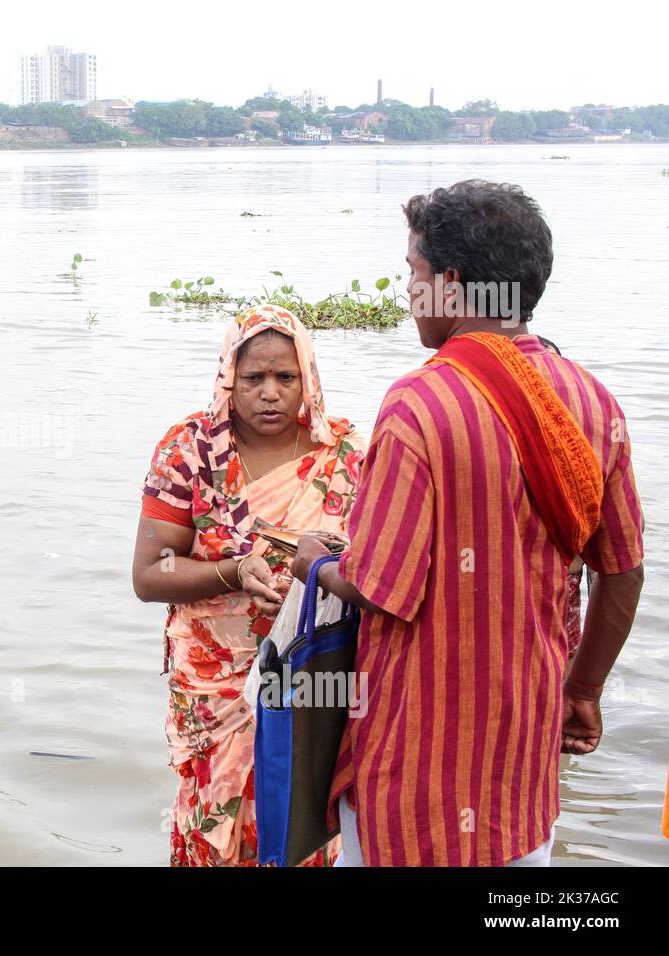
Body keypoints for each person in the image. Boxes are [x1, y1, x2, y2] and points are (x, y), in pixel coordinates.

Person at [291, 180, 645, 867]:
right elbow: (622, 572)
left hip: (413, 772)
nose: (408, 293)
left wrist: (314, 562)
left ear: (449, 285)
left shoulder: (421, 402)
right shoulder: (596, 403)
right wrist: (584, 690)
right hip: (522, 770)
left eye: (413, 275)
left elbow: (377, 583)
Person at [132, 303, 366, 866]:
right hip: (215, 686)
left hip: (313, 679)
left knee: (304, 821)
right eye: (253, 377)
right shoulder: (189, 452)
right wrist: (234, 572)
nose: (270, 393)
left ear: (306, 377)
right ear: (227, 379)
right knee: (215, 819)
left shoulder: (346, 457)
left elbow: (372, 574)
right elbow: (148, 574)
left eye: (285, 378)